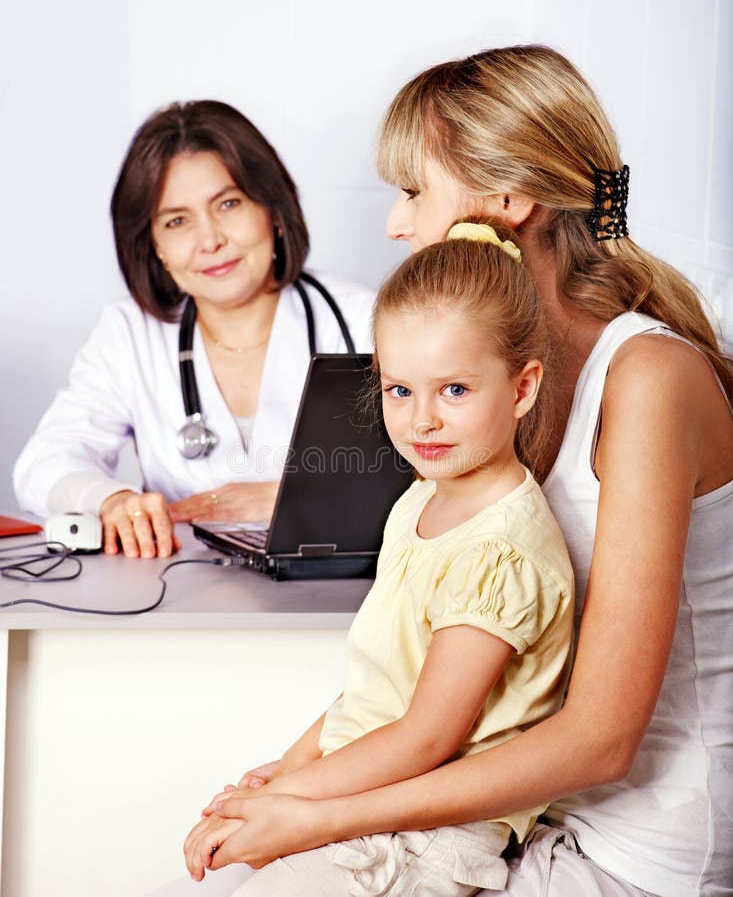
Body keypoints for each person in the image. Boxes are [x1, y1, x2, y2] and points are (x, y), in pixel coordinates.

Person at [166, 45, 733, 897]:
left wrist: (316, 816)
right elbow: (420, 652)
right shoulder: (497, 393)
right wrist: (290, 777)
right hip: (535, 819)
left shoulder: (648, 379)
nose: (396, 224)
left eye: (412, 190)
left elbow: (601, 741)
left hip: (641, 852)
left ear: (505, 202)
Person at [183, 219, 575, 895]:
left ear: (521, 388)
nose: (420, 419)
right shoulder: (417, 502)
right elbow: (375, 688)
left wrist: (292, 802)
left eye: (453, 390)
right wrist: (287, 767)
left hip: (429, 830)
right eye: (399, 390)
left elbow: (426, 737)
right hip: (365, 786)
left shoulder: (500, 551)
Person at [13, 100, 374, 558]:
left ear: (273, 211)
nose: (210, 240)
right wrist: (111, 501)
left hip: (338, 603)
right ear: (155, 246)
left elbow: (436, 470)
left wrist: (292, 497)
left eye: (229, 203)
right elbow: (43, 464)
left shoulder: (363, 319)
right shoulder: (130, 334)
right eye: (177, 221)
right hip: (175, 601)